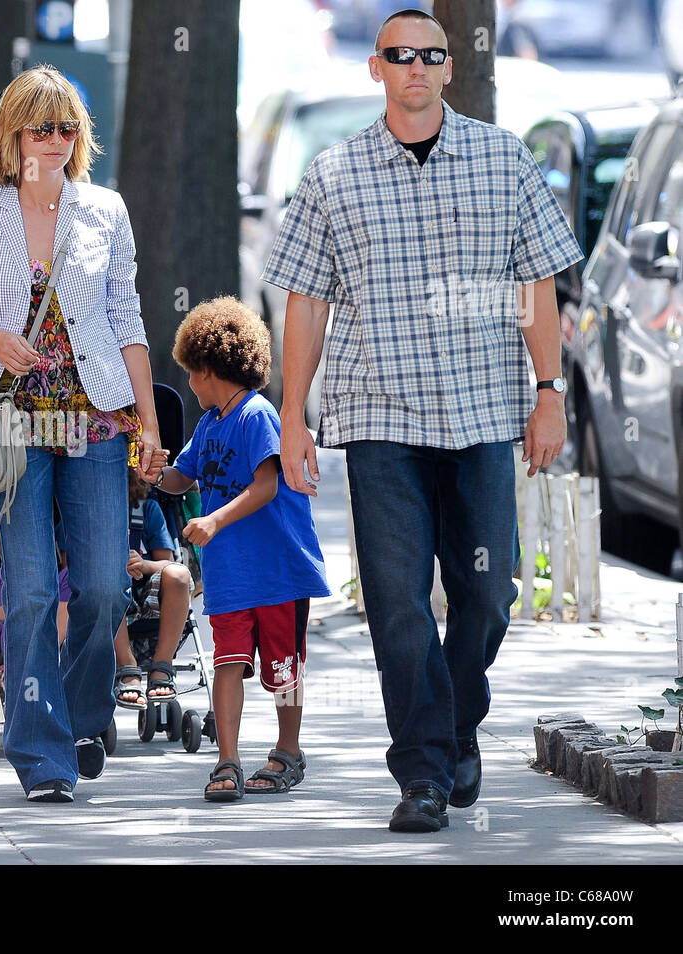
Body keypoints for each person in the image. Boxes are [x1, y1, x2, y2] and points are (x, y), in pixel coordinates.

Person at [261, 9, 582, 832]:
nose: (415, 67)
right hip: (380, 417)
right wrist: (293, 417)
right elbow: (306, 301)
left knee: (487, 595)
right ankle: (424, 775)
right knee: (399, 601)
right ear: (376, 69)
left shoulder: (504, 159)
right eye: (399, 55)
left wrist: (551, 391)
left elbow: (538, 284)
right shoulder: (333, 174)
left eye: (430, 56)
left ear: (448, 69)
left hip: (481, 413)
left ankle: (454, 723)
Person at [0, 66, 167, 803]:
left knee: (102, 585)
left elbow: (126, 320)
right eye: (42, 127)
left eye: (68, 127)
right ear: (12, 134)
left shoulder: (105, 210)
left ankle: (75, 713)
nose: (57, 140)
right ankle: (42, 753)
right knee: (31, 591)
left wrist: (148, 422)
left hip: (95, 418)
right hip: (11, 423)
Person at [154, 297, 329, 801]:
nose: (188, 382)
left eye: (191, 372)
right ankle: (226, 760)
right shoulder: (209, 424)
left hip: (278, 570)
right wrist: (153, 475)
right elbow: (182, 476)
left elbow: (267, 485)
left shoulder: (257, 415)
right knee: (227, 661)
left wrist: (212, 519)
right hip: (230, 572)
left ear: (209, 368)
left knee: (283, 667)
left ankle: (288, 751)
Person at [111, 470, 191, 709]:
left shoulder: (147, 509)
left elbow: (167, 563)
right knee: (107, 579)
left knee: (178, 574)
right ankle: (127, 668)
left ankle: (162, 667)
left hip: (146, 597)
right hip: (106, 596)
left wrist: (143, 564)